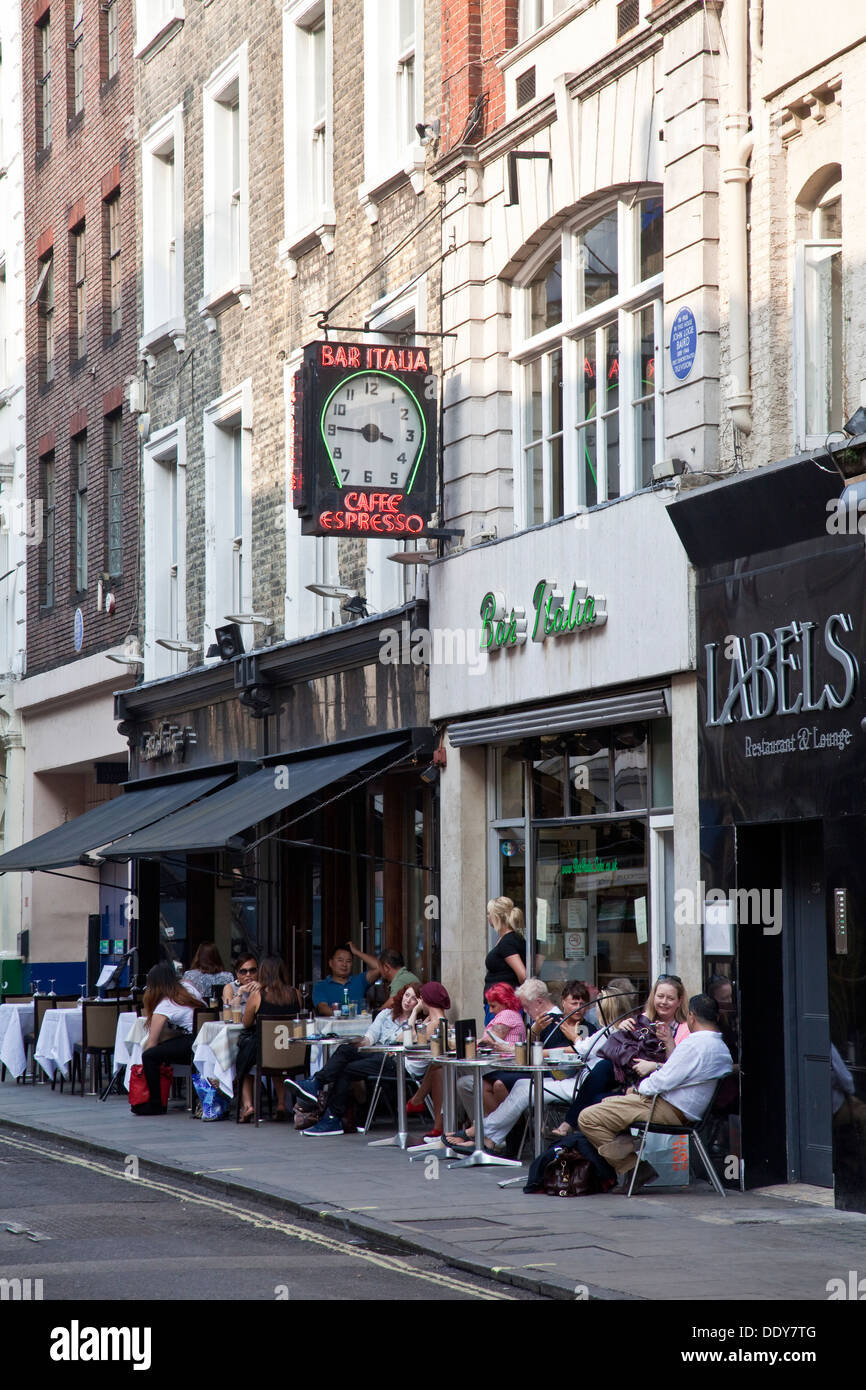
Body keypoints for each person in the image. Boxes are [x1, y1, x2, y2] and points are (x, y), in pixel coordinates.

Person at [578, 993, 734, 1193]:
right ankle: (627, 1148)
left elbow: (663, 1080)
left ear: (692, 1016)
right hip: (675, 1108)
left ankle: (634, 1167)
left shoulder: (696, 1044)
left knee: (587, 1118)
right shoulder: (720, 1047)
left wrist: (637, 1090)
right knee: (607, 1103)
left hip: (667, 1109)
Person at [446, 979, 590, 1155]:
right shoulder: (554, 1021)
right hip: (548, 1074)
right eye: (574, 1003)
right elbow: (536, 1049)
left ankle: (484, 1134)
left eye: (583, 1004)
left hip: (561, 1078)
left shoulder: (581, 1027)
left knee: (500, 1082)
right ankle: (488, 1139)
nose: (579, 1007)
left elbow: (576, 1050)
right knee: (484, 1082)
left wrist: (535, 1046)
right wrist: (534, 1035)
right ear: (563, 1003)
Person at [291, 984, 423, 1136]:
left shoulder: (418, 1023)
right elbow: (370, 1037)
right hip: (376, 1054)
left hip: (395, 1062)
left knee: (346, 1069)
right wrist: (357, 1043)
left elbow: (402, 1040)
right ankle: (318, 1086)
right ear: (401, 995)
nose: (408, 1000)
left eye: (414, 999)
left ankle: (330, 1114)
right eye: (407, 995)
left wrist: (415, 1013)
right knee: (345, 1049)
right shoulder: (386, 1013)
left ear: (419, 1003)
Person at [235, 955, 302, 1122]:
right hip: (291, 1051)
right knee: (273, 1054)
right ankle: (280, 1104)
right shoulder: (296, 993)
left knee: (244, 1059)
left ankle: (248, 1105)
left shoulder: (258, 995)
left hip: (266, 1051)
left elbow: (246, 1022)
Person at [134, 963, 203, 1115]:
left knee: (149, 1056)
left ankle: (156, 1103)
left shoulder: (165, 1004)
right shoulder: (188, 988)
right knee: (162, 1050)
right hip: (202, 1041)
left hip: (191, 1044)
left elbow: (152, 1041)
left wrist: (140, 1066)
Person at [405, 982, 451, 1136]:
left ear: (425, 999)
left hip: (415, 1066)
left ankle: (417, 1100)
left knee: (437, 1066)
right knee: (437, 1066)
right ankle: (418, 1100)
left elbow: (408, 1039)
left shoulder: (436, 1023)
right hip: (426, 1063)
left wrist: (414, 1013)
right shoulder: (434, 1021)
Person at [484, 897, 526, 1020]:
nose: (487, 917)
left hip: (503, 1005)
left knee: (496, 1039)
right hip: (500, 1003)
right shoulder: (508, 939)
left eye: (489, 913)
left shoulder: (507, 942)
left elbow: (523, 975)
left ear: (496, 916)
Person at [312, 945, 373, 1017]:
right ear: (331, 963)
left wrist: (357, 952)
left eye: (348, 961)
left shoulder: (360, 980)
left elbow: (379, 968)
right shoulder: (321, 986)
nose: (344, 964)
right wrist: (344, 1017)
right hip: (334, 1026)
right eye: (340, 960)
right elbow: (323, 1008)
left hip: (360, 1026)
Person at [347, 942, 420, 998]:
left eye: (380, 967)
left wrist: (375, 1014)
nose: (380, 972)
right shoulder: (404, 975)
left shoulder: (400, 980)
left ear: (386, 968)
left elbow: (390, 1005)